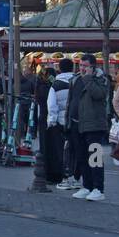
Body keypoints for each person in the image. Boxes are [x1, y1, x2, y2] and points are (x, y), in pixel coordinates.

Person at [67, 54, 110, 200]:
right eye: (80, 65)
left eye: (85, 66)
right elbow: (71, 100)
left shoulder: (101, 79)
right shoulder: (75, 79)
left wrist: (88, 79)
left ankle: (99, 188)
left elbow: (99, 95)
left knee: (95, 158)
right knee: (82, 157)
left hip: (94, 126)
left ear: (93, 66)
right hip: (76, 124)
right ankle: (87, 186)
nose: (82, 68)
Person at [46, 58, 75, 188]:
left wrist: (51, 121)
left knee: (60, 149)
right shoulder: (78, 81)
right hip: (74, 120)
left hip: (59, 121)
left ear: (60, 69)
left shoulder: (56, 85)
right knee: (73, 148)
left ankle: (62, 173)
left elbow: (52, 105)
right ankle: (73, 173)